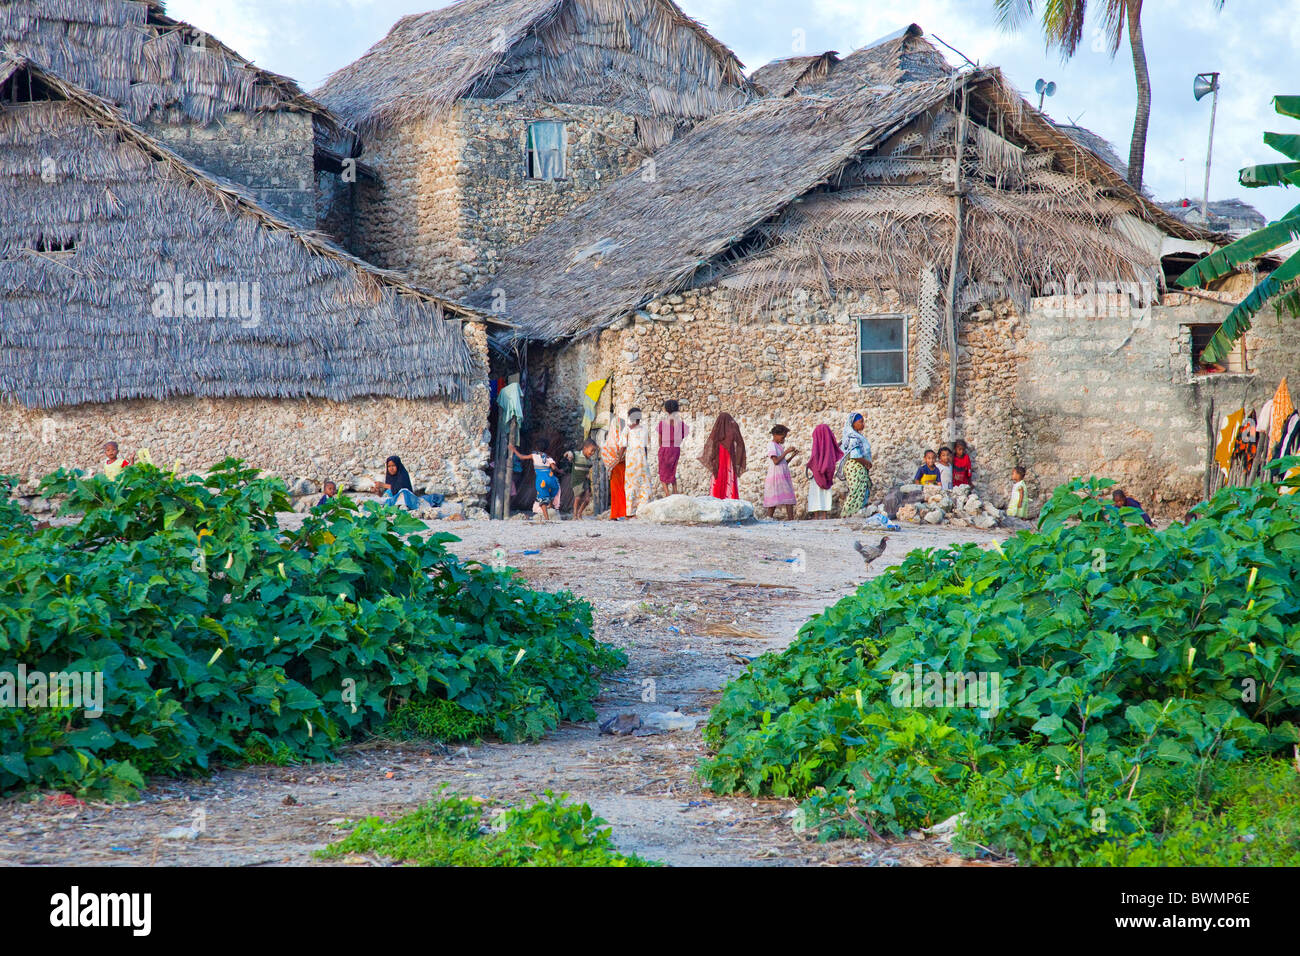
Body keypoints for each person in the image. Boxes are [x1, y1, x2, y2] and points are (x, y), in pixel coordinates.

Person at [701, 413, 746, 499]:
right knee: (729, 475)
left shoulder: (718, 433)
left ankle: (716, 497)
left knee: (718, 476)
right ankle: (729, 495)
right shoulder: (732, 431)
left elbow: (711, 446)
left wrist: (712, 459)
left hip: (719, 461)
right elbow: (740, 444)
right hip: (729, 459)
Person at [377, 455, 443, 511]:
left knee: (403, 492)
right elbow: (389, 493)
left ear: (398, 466)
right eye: (389, 466)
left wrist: (384, 485)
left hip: (407, 497)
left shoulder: (403, 475)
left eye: (393, 465)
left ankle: (401, 506)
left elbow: (399, 488)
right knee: (387, 493)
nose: (391, 468)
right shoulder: (389, 477)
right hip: (394, 499)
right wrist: (378, 491)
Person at [763, 425, 800, 520]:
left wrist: (792, 456)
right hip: (776, 475)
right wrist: (786, 452)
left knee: (787, 496)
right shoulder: (771, 445)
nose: (784, 439)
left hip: (782, 474)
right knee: (775, 498)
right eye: (782, 437)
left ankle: (790, 519)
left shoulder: (779, 446)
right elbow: (776, 461)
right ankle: (769, 517)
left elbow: (783, 462)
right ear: (775, 435)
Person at [806, 423, 842, 519]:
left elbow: (814, 456)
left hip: (816, 474)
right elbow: (833, 453)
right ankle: (824, 515)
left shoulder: (817, 443)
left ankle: (816, 515)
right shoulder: (829, 446)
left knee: (815, 493)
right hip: (827, 473)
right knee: (825, 492)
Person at [839, 413, 871, 517]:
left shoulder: (857, 436)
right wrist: (866, 462)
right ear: (853, 423)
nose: (863, 424)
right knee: (856, 491)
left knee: (860, 490)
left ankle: (856, 514)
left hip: (858, 467)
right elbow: (855, 456)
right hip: (855, 467)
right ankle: (846, 514)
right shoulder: (853, 437)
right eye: (860, 422)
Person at [623, 408, 652, 517]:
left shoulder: (627, 429)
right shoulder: (644, 429)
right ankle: (642, 510)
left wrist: (618, 458)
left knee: (631, 485)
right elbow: (645, 447)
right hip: (642, 461)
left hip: (631, 461)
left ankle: (630, 512)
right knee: (644, 485)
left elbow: (623, 446)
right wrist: (646, 459)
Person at [656, 399, 689, 497]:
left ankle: (667, 493)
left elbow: (660, 438)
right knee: (672, 470)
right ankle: (675, 491)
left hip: (665, 448)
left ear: (666, 410)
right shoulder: (680, 423)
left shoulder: (663, 423)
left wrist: (661, 447)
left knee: (663, 471)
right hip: (675, 449)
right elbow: (684, 434)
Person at [600, 418, 628, 520]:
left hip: (615, 469)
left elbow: (605, 454)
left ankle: (617, 514)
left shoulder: (609, 441)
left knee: (617, 491)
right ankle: (623, 513)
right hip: (623, 467)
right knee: (623, 490)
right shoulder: (625, 439)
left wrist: (612, 462)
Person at [566, 439, 599, 519]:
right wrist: (568, 454)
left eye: (594, 451)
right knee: (578, 498)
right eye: (591, 450)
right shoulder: (576, 455)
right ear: (585, 448)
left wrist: (588, 475)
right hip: (577, 481)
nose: (593, 453)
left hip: (585, 481)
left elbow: (588, 469)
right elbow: (568, 453)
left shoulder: (589, 460)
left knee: (587, 499)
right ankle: (574, 515)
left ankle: (579, 513)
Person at [532, 455, 560, 521]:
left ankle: (546, 518)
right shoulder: (554, 484)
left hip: (540, 511)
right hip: (548, 509)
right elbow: (553, 467)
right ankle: (547, 518)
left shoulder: (537, 459)